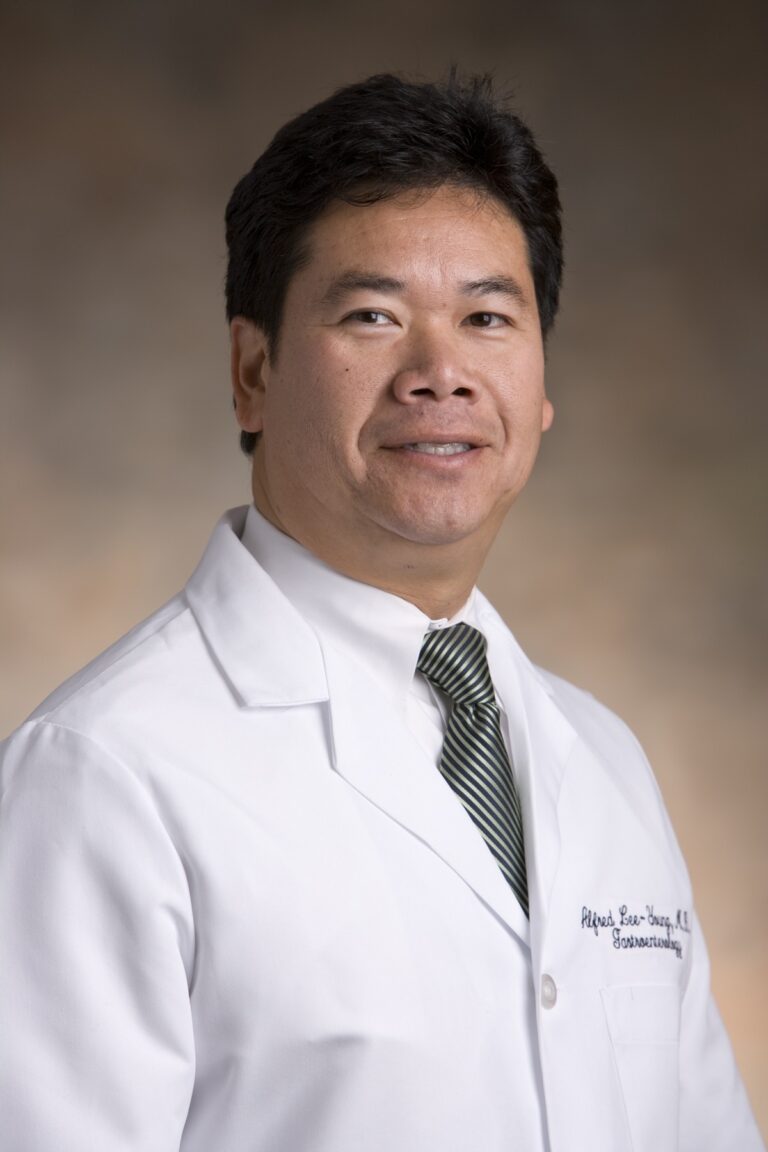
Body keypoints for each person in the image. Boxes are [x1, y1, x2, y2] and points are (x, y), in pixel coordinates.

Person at [0, 72, 762, 1152]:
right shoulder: (101, 777)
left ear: (542, 386)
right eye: (374, 315)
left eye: (487, 317)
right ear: (252, 371)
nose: (440, 373)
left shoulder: (604, 761)